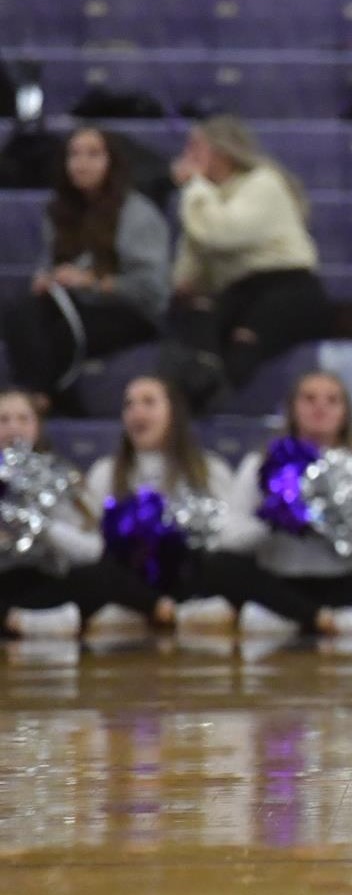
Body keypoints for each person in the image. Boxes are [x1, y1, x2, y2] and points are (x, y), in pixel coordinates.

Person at [207, 371, 352, 636]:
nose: (320, 407)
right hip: (283, 582)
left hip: (348, 582)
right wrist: (275, 516)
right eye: (309, 399)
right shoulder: (261, 462)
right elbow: (229, 540)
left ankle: (295, 619)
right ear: (292, 408)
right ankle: (323, 619)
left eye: (332, 400)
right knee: (216, 564)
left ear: (346, 412)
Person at [1, 128, 170, 415]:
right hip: (73, 307)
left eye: (93, 154)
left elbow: (153, 289)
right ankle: (48, 400)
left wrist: (91, 282)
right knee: (19, 311)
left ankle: (43, 400)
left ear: (112, 162)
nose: (82, 163)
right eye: (74, 154)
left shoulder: (137, 214)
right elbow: (48, 262)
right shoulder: (60, 211)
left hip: (128, 312)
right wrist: (46, 278)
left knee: (51, 336)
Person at [167, 116, 329, 407]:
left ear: (222, 151)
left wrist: (195, 185)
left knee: (245, 336)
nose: (187, 157)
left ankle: (216, 407)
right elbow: (191, 268)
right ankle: (193, 396)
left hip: (287, 285)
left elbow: (222, 234)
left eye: (196, 148)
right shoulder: (205, 199)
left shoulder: (263, 183)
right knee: (195, 317)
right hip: (239, 291)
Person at [0, 389, 164, 638]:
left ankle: (168, 611)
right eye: (3, 420)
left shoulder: (59, 476)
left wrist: (43, 527)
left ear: (38, 426)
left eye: (24, 419)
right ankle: (16, 620)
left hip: (45, 582)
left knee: (107, 573)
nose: (14, 428)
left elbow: (92, 550)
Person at [85, 375, 238, 632]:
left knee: (230, 567)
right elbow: (92, 541)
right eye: (129, 404)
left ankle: (173, 608)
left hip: (190, 578)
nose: (137, 411)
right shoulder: (105, 471)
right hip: (128, 581)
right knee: (96, 574)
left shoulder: (209, 469)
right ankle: (157, 608)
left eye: (148, 402)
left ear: (174, 413)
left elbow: (227, 534)